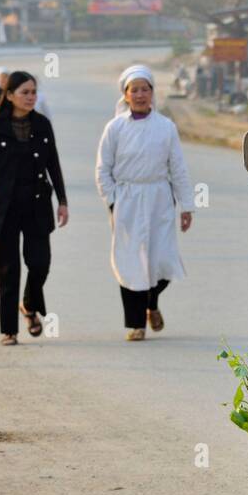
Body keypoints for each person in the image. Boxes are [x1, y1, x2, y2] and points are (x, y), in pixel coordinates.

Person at [0, 71, 69, 346]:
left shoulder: (43, 125)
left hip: (36, 204)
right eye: (25, 92)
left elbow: (53, 164)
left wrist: (62, 201)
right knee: (9, 269)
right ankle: (9, 330)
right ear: (9, 95)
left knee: (40, 263)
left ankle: (29, 304)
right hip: (3, 207)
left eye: (33, 92)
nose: (30, 97)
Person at [95, 64, 193, 341]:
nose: (140, 95)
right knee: (130, 262)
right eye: (134, 90)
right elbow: (103, 168)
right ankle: (136, 325)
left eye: (145, 89)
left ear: (152, 92)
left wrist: (186, 206)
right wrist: (112, 201)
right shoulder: (114, 128)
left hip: (160, 199)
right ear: (125, 95)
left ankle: (152, 302)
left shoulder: (166, 127)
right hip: (126, 199)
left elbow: (178, 168)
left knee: (162, 260)